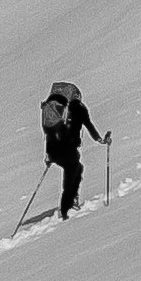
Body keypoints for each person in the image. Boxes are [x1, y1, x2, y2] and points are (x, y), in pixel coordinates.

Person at [41, 77, 109, 212]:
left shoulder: (52, 109)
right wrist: (100, 140)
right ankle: (67, 207)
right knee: (73, 169)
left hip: (54, 150)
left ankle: (71, 200)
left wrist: (48, 155)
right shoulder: (77, 107)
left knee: (75, 169)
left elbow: (48, 133)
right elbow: (89, 125)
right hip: (68, 148)